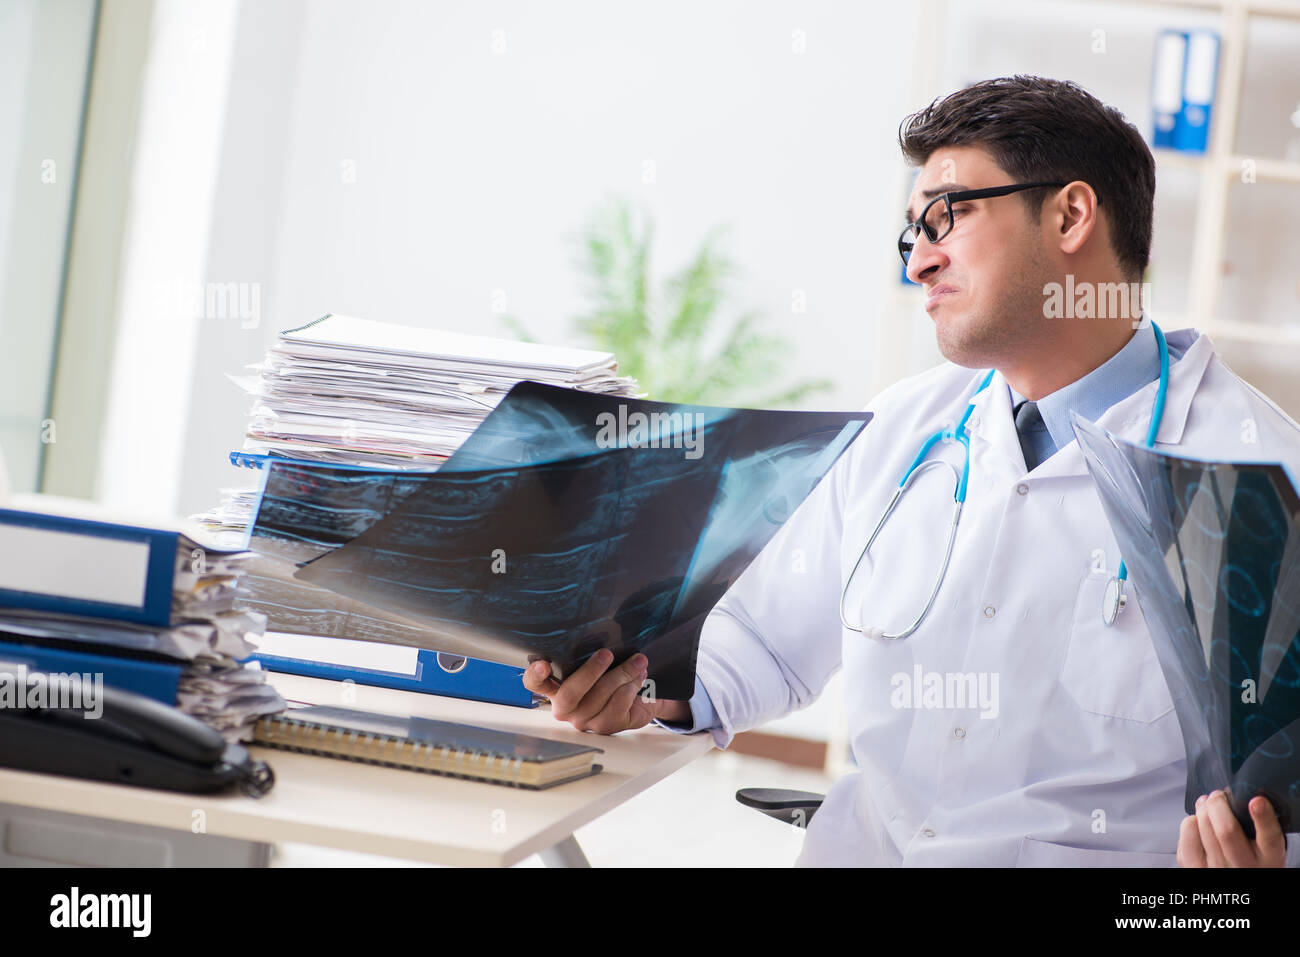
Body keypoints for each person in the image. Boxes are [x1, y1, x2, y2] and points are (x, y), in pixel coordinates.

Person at [524, 76, 1299, 867]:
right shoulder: (905, 427)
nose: (920, 262)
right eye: (911, 234)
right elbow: (763, 642)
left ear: (1070, 215)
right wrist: (642, 685)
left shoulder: (1260, 471)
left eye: (947, 217)